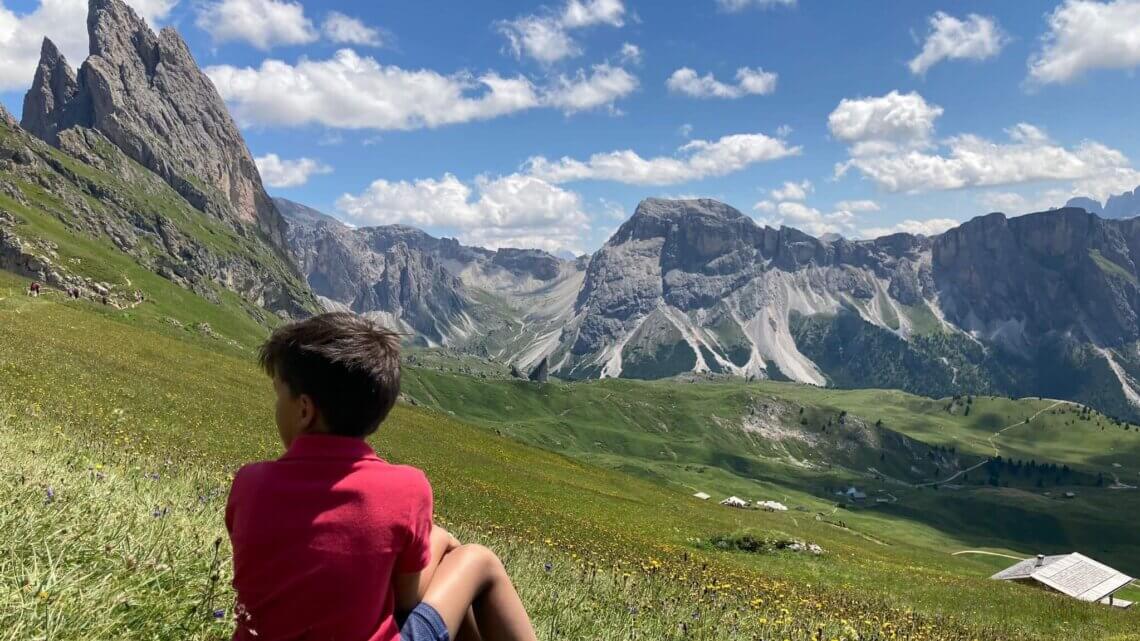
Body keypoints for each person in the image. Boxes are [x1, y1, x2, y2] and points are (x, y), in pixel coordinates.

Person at [225, 312, 537, 641]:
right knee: (478, 559)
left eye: (278, 395)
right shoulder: (407, 488)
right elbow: (406, 599)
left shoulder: (250, 484)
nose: (277, 407)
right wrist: (442, 540)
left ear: (305, 410)